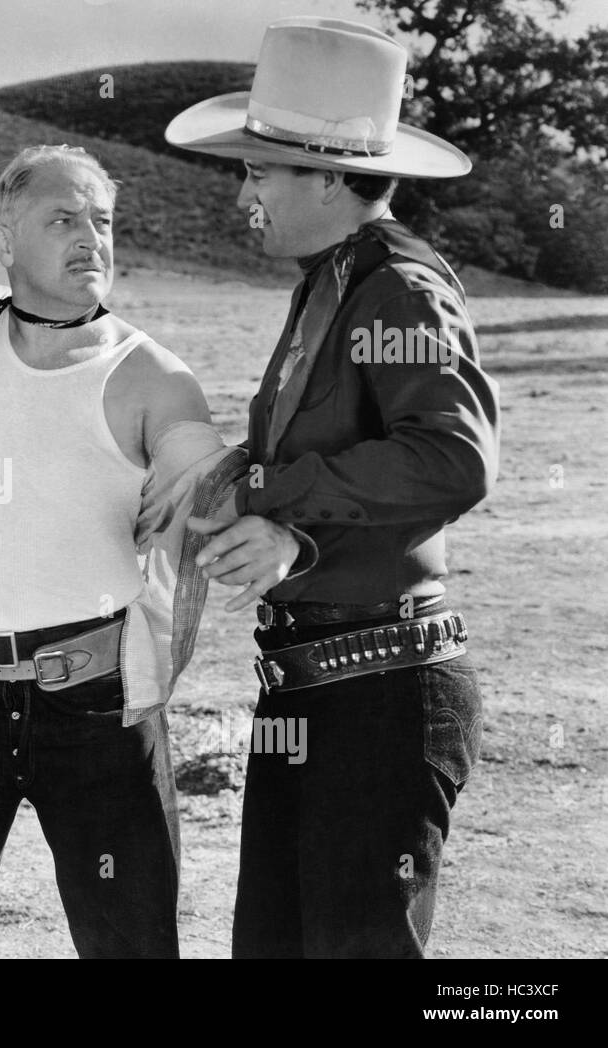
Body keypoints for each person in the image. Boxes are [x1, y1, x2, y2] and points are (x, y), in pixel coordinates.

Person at [0, 144, 309, 958]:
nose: (91, 239)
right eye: (64, 219)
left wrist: (258, 512)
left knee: (133, 944)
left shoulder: (153, 376)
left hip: (98, 711)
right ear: (7, 239)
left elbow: (208, 483)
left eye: (102, 222)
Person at [165, 16, 499, 957]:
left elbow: (454, 457)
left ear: (327, 175)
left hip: (383, 699)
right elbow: (353, 474)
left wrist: (279, 491)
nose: (245, 192)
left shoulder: (396, 286)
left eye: (260, 171)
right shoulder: (333, 281)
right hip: (319, 689)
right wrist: (275, 515)